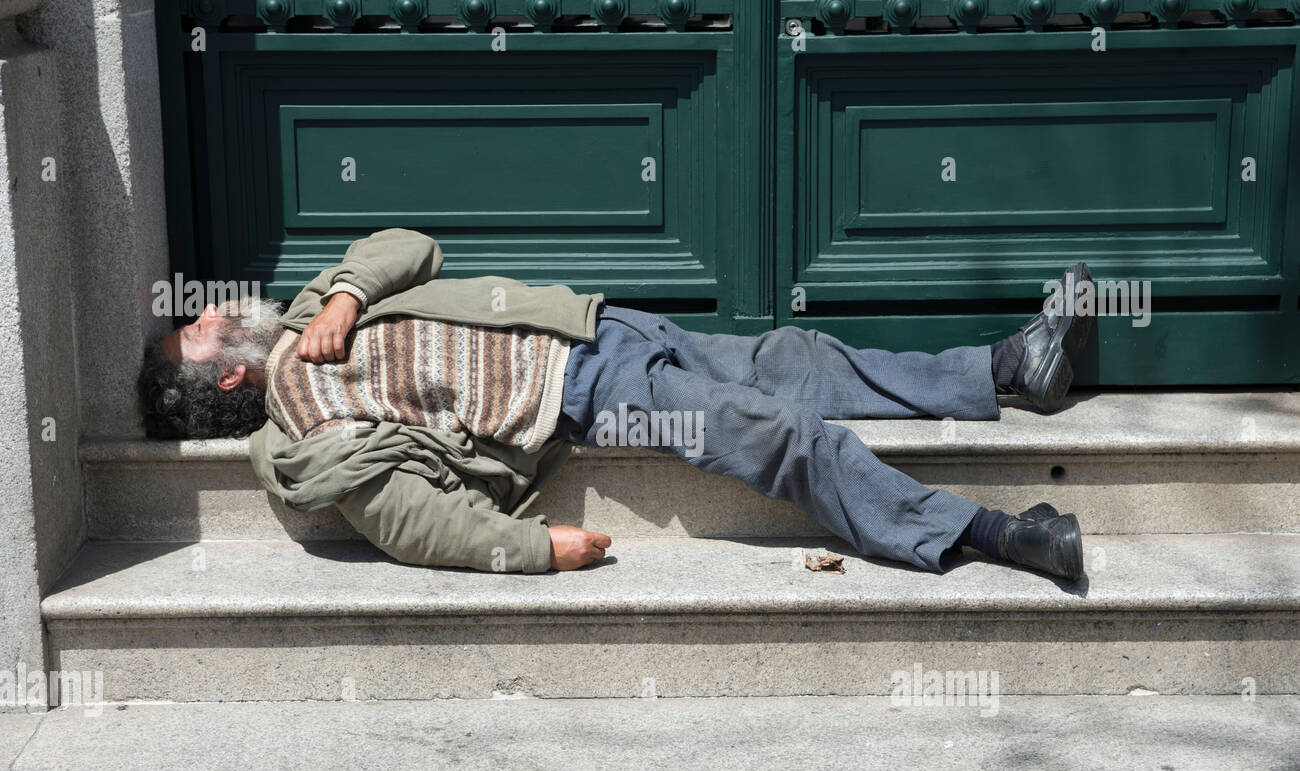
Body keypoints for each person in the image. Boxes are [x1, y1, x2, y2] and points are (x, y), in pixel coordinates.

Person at [138, 229, 1091, 580]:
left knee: (793, 356)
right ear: (228, 378)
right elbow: (410, 521)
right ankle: (1000, 535)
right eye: (206, 326)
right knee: (788, 436)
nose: (218, 307)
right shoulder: (309, 436)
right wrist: (527, 548)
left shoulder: (314, 309)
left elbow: (410, 245)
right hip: (592, 392)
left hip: (593, 324)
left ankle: (1007, 370)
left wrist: (345, 295)